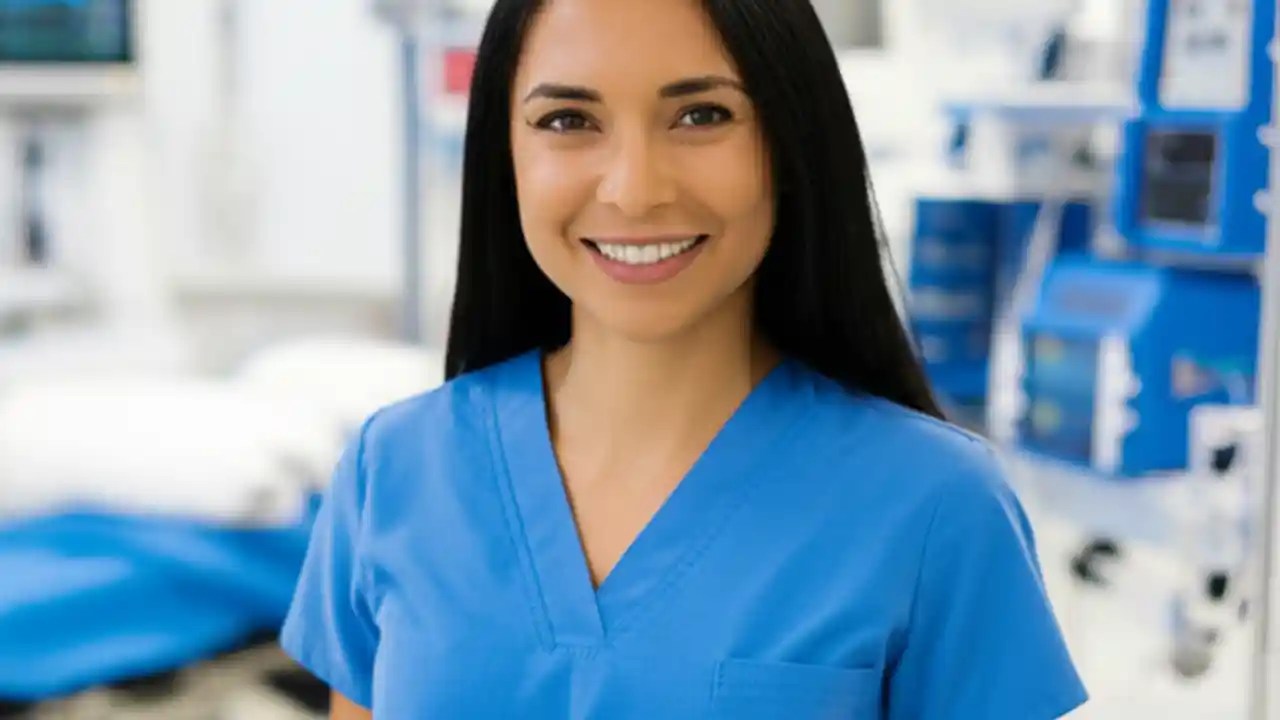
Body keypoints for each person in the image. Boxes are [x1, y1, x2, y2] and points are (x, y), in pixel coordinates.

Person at [281, 0, 1089, 717]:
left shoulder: (933, 507)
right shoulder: (395, 470)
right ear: (506, 155)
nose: (635, 190)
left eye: (701, 115)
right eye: (568, 120)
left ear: (790, 138)